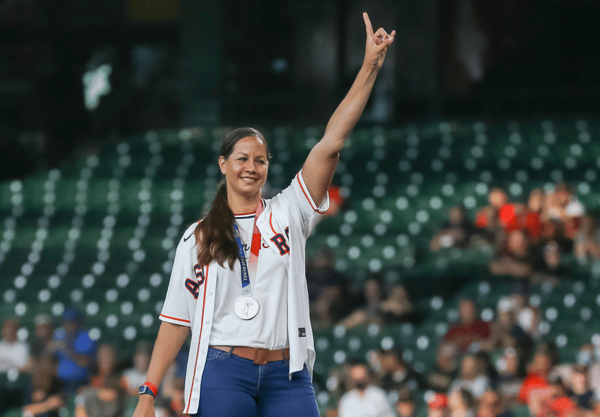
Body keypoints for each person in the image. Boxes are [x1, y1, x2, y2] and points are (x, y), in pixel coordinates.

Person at [132, 13, 395, 417]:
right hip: (224, 371)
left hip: (286, 373)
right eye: (242, 158)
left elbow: (331, 142)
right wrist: (148, 392)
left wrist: (369, 67)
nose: (251, 166)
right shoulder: (198, 236)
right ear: (223, 164)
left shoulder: (290, 210)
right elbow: (175, 319)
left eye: (261, 159)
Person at [49, 308, 98, 395]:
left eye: (72, 322)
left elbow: (85, 362)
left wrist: (67, 350)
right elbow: (49, 357)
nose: (69, 325)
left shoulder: (86, 336)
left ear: (78, 322)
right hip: (60, 381)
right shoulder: (59, 335)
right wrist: (50, 349)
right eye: (66, 322)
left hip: (80, 381)